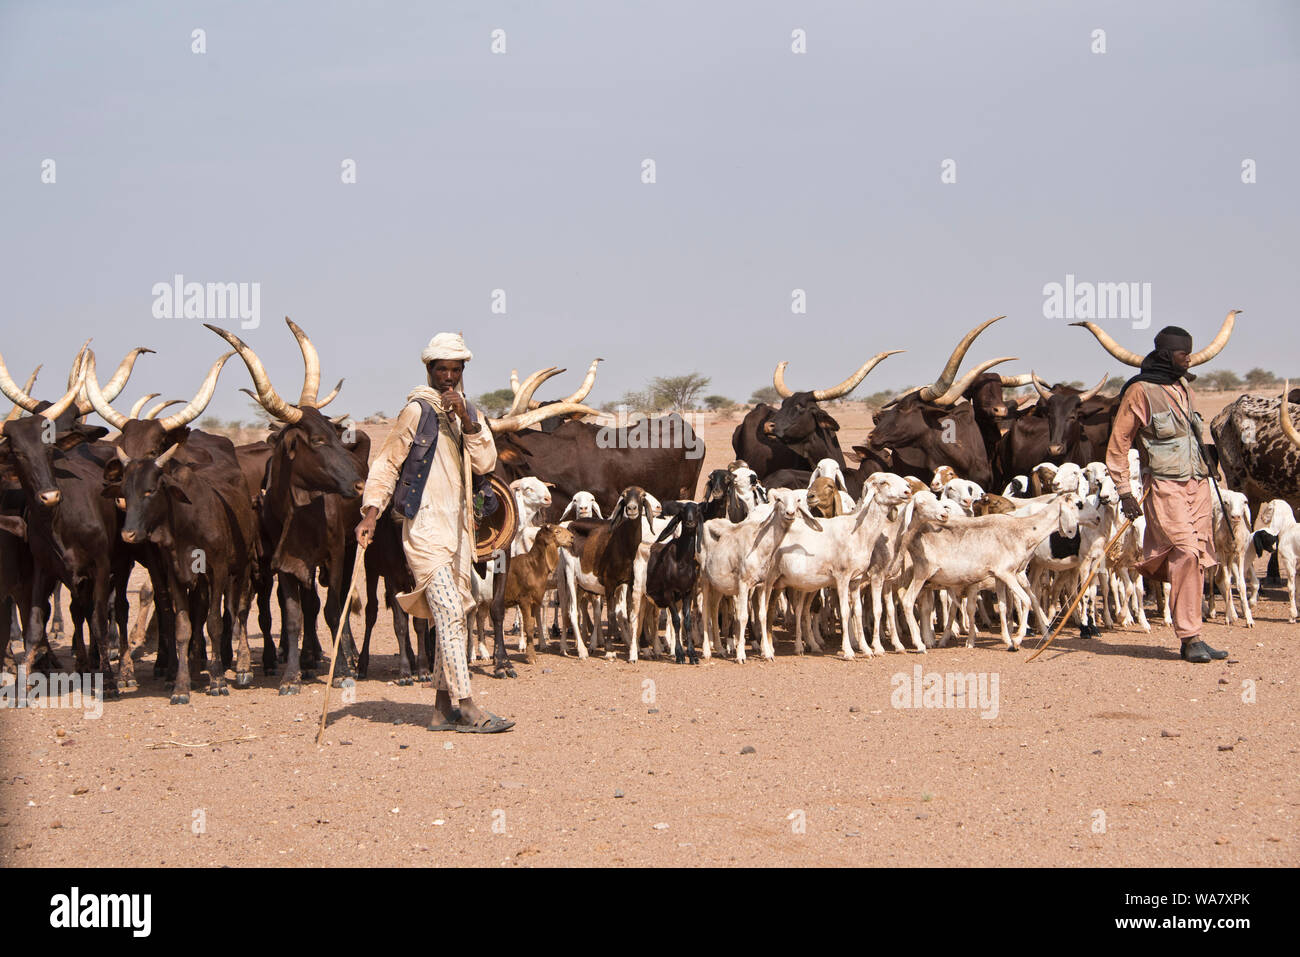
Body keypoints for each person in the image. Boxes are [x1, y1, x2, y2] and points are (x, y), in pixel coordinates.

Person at [355, 333, 514, 731]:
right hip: (424, 525)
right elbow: (388, 462)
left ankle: (441, 710)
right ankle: (467, 705)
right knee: (448, 610)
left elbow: (486, 462)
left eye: (455, 370)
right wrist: (371, 513)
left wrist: (469, 421)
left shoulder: (468, 413)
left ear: (463, 373)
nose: (448, 377)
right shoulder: (416, 411)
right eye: (441, 369)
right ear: (428, 370)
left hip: (460, 529)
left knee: (456, 611)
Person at [1105, 325, 1226, 664]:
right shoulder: (1140, 391)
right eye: (1182, 353)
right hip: (1163, 485)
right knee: (1184, 552)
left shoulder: (1183, 386)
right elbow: (1118, 445)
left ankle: (1196, 635)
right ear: (1164, 354)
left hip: (1198, 483)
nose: (1188, 358)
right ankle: (1188, 638)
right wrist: (1125, 491)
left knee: (1199, 554)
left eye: (1189, 351)